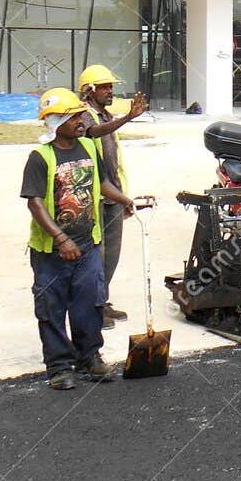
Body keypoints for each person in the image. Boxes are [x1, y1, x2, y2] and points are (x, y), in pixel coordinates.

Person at [22, 88, 134, 391]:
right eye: (74, 116)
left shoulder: (87, 146)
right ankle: (59, 366)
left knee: (90, 303)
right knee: (52, 308)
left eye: (81, 115)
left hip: (88, 244)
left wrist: (125, 200)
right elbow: (35, 203)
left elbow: (103, 184)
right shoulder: (41, 157)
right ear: (56, 122)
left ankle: (89, 357)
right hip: (52, 251)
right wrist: (60, 239)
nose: (82, 120)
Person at [75, 64, 148, 328]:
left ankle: (102, 302)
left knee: (112, 254)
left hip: (113, 196)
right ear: (90, 90)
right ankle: (92, 307)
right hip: (93, 198)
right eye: (105, 87)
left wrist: (123, 195)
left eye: (111, 87)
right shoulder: (83, 115)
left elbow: (115, 160)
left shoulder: (105, 115)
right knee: (96, 255)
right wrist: (128, 117)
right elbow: (92, 133)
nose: (110, 92)